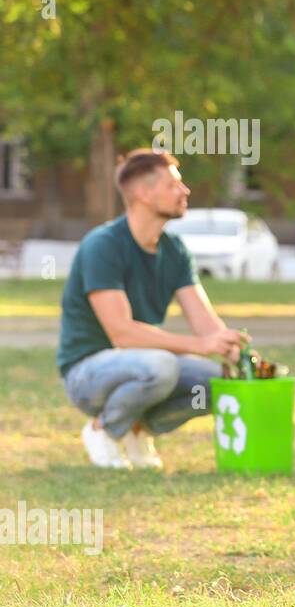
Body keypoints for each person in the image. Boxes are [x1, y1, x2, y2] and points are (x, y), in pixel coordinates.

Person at [58, 149, 246, 470]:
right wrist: (198, 346)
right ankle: (103, 429)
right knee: (161, 367)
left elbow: (204, 322)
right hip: (87, 373)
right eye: (173, 185)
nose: (184, 191)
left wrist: (237, 354)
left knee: (223, 384)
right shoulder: (102, 245)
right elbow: (122, 333)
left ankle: (137, 430)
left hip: (143, 364)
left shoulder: (174, 250)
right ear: (143, 193)